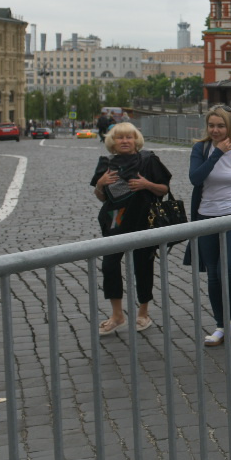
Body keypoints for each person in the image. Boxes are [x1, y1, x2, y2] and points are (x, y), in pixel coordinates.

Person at [91, 122, 172, 335]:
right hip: (115, 221)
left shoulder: (148, 160)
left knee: (143, 266)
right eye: (120, 138)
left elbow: (164, 188)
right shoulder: (105, 163)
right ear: (112, 142)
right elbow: (101, 196)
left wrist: (147, 185)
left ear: (136, 140)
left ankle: (143, 313)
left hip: (144, 220)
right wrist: (100, 183)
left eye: (129, 137)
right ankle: (117, 315)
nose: (125, 141)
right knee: (109, 266)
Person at [189, 106, 231, 345]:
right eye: (212, 126)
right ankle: (221, 325)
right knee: (212, 274)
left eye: (220, 126)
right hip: (206, 216)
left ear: (230, 127)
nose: (215, 130)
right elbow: (195, 178)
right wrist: (216, 153)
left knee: (225, 269)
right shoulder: (201, 149)